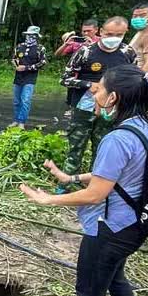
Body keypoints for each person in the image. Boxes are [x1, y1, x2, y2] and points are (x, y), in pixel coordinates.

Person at [20, 65, 148, 296]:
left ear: (114, 98)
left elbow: (97, 194)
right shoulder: (146, 127)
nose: (92, 94)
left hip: (110, 228)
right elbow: (114, 176)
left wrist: (49, 199)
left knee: (89, 292)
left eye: (97, 90)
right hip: (135, 225)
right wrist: (70, 177)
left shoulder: (116, 140)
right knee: (115, 277)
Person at [58, 16, 137, 193]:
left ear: (125, 33)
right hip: (84, 107)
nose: (113, 37)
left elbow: (133, 80)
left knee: (103, 146)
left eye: (118, 34)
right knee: (76, 145)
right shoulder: (85, 51)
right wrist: (88, 85)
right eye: (109, 33)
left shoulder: (128, 53)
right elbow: (64, 78)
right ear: (101, 32)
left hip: (111, 109)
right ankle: (66, 182)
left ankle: (95, 183)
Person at [9, 26, 46, 129]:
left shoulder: (40, 48)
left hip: (30, 78)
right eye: (28, 35)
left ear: (36, 37)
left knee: (25, 100)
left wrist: (26, 67)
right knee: (17, 101)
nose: (30, 37)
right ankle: (16, 120)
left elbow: (42, 63)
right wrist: (15, 64)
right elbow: (14, 58)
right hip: (18, 77)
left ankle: (22, 122)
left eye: (33, 36)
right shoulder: (20, 46)